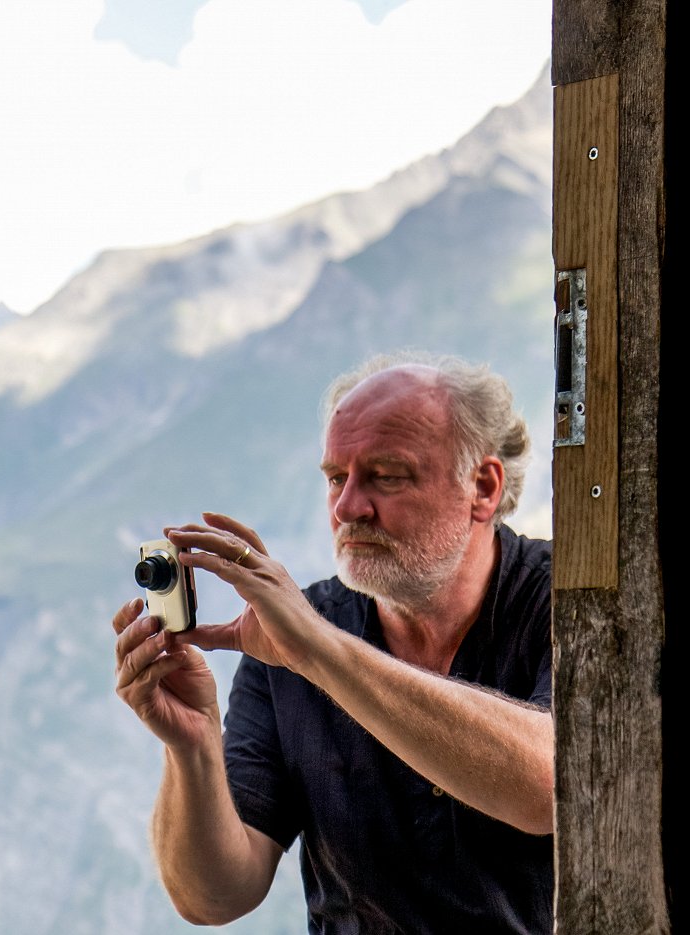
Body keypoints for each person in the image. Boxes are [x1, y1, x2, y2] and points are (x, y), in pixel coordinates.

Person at [112, 350, 553, 933]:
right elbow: (214, 898)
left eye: (386, 476)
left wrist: (318, 651)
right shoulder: (292, 637)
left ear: (482, 485)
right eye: (336, 479)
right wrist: (192, 749)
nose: (348, 508)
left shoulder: (566, 603)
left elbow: (549, 788)